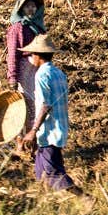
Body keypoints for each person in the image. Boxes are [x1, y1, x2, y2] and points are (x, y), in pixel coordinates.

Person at [16, 33, 76, 192]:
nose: (31, 57)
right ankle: (46, 206)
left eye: (32, 54)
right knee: (40, 173)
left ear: (38, 56)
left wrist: (32, 131)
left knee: (53, 174)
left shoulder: (41, 75)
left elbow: (45, 105)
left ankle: (85, 198)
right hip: (58, 129)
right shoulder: (59, 73)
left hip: (49, 132)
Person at [4, 0, 46, 128]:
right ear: (21, 9)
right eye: (27, 6)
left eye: (33, 6)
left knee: (40, 102)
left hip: (38, 68)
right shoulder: (17, 28)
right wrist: (13, 78)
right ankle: (26, 138)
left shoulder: (38, 28)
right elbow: (12, 54)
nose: (31, 9)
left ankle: (35, 137)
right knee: (27, 105)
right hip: (25, 69)